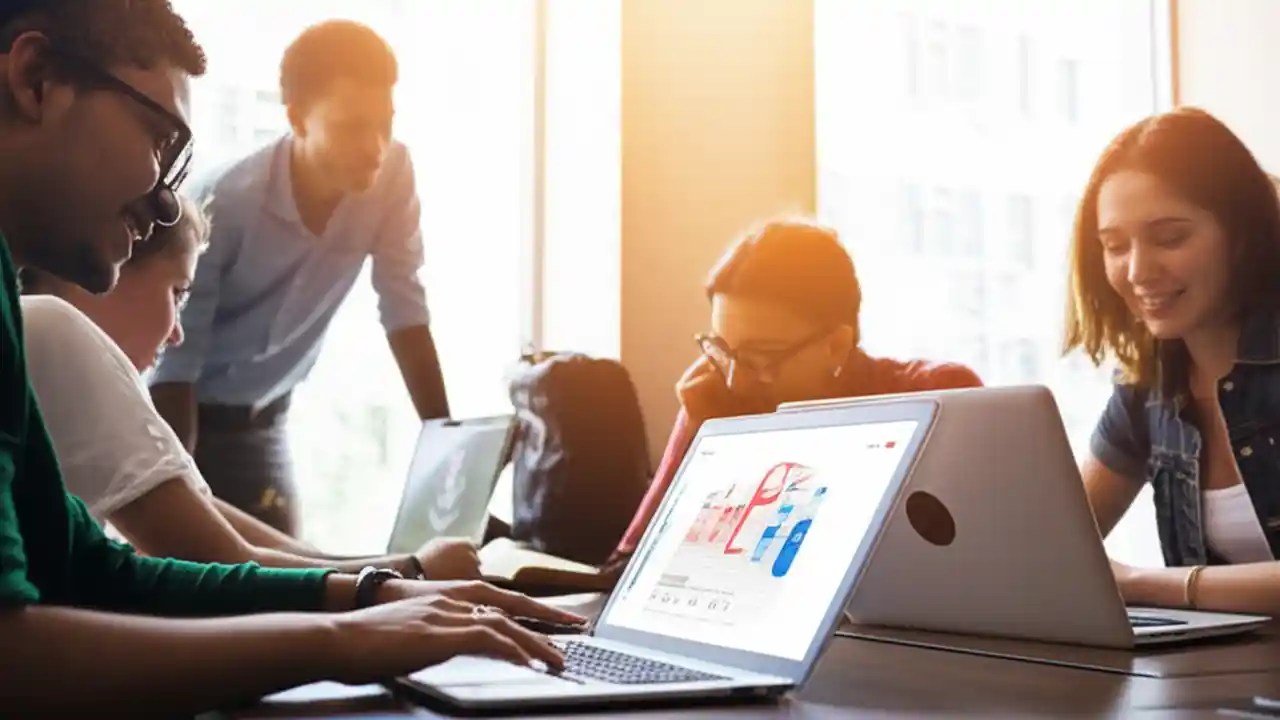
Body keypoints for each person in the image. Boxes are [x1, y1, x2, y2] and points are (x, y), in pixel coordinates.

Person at [0, 2, 577, 714]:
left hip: (267, 412)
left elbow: (98, 570)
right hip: (206, 411)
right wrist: (344, 637)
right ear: (35, 81)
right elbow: (11, 655)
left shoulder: (11, 303)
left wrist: (372, 596)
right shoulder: (221, 206)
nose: (167, 206)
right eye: (158, 137)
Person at [20, 195, 479, 579]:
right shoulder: (55, 332)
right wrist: (412, 570)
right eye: (177, 293)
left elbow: (204, 515)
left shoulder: (33, 328)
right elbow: (220, 560)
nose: (177, 333)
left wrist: (383, 567)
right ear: (116, 263)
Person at [150, 20, 450, 535]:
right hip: (187, 417)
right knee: (204, 567)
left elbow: (405, 305)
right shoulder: (224, 203)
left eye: (385, 124)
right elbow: (174, 365)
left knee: (292, 569)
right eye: (353, 128)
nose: (375, 147)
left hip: (268, 419)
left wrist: (448, 449)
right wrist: (183, 495)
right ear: (296, 119)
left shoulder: (393, 176)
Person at [605, 219, 983, 574]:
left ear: (836, 346)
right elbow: (628, 567)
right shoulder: (716, 398)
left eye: (760, 356)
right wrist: (702, 439)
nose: (737, 380)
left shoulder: (933, 397)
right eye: (723, 351)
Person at [1066, 107, 1280, 617]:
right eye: (1115, 246)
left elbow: (1126, 581)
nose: (1138, 271)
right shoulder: (1148, 385)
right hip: (1229, 670)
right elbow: (1053, 545)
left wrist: (1148, 585)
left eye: (1170, 238)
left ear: (1242, 233)